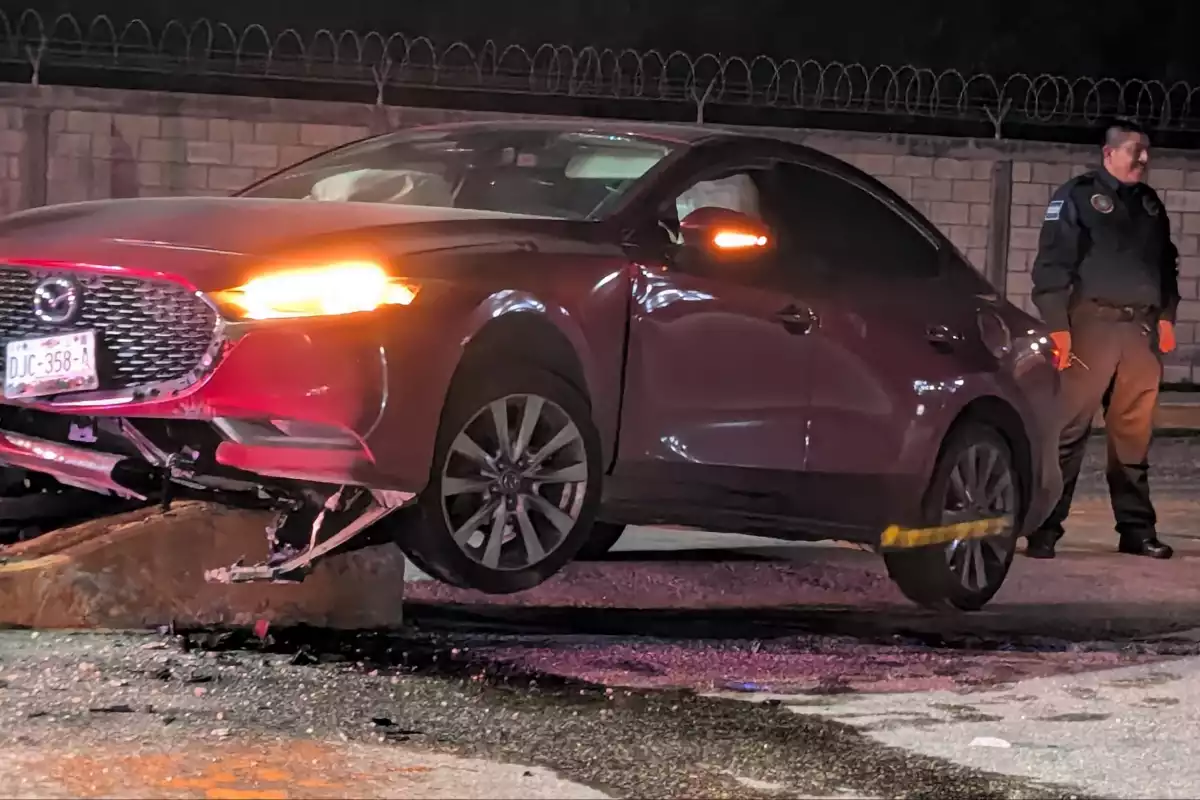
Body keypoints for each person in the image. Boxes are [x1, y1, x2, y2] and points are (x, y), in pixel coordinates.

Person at [1027, 118, 1179, 560]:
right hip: (1089, 329)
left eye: (1147, 150)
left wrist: (1166, 315)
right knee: (1068, 433)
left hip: (1140, 333)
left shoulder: (1149, 204)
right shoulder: (1077, 197)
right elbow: (1052, 266)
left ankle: (1136, 531)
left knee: (1133, 437)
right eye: (1135, 150)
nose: (1144, 159)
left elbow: (1165, 264)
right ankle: (1044, 529)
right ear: (1108, 154)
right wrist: (1058, 326)